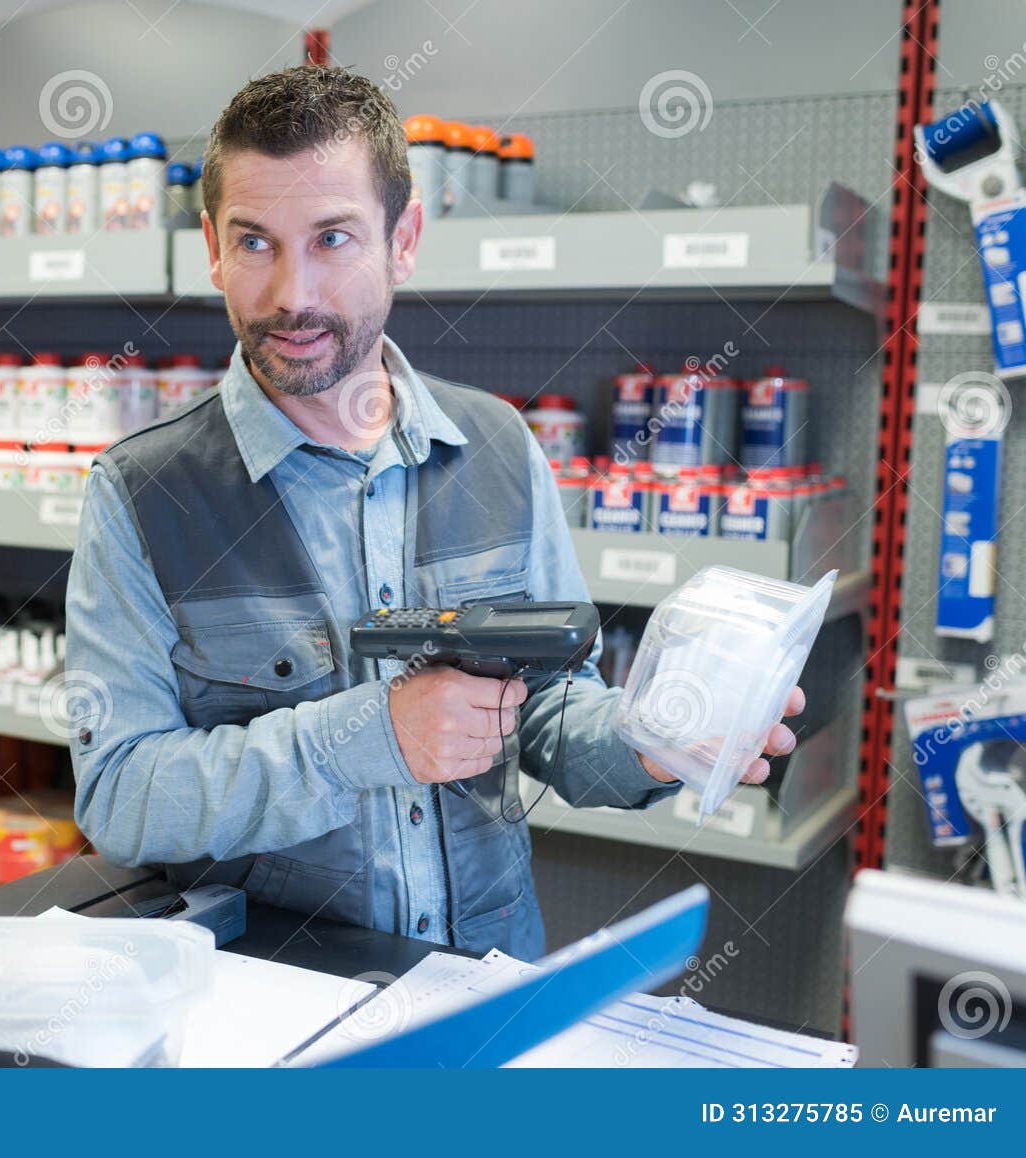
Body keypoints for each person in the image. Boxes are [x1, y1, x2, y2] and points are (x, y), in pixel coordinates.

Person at [66, 66, 804, 959]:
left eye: (333, 238)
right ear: (213, 249)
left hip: (483, 978)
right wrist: (365, 739)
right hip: (277, 995)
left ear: (403, 239)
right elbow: (120, 797)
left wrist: (654, 742)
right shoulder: (142, 493)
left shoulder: (498, 446)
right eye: (255, 242)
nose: (292, 293)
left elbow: (547, 705)